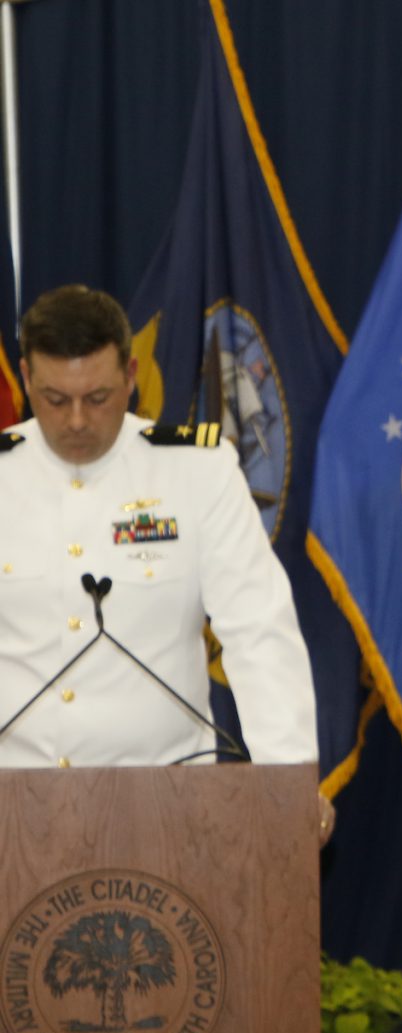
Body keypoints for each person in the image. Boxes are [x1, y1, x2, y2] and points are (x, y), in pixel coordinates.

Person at [0, 287, 330, 834]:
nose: (77, 420)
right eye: (56, 400)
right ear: (27, 379)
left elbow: (258, 631)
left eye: (99, 397)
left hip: (166, 809)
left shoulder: (197, 470)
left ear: (131, 377)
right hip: (16, 809)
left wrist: (284, 783)